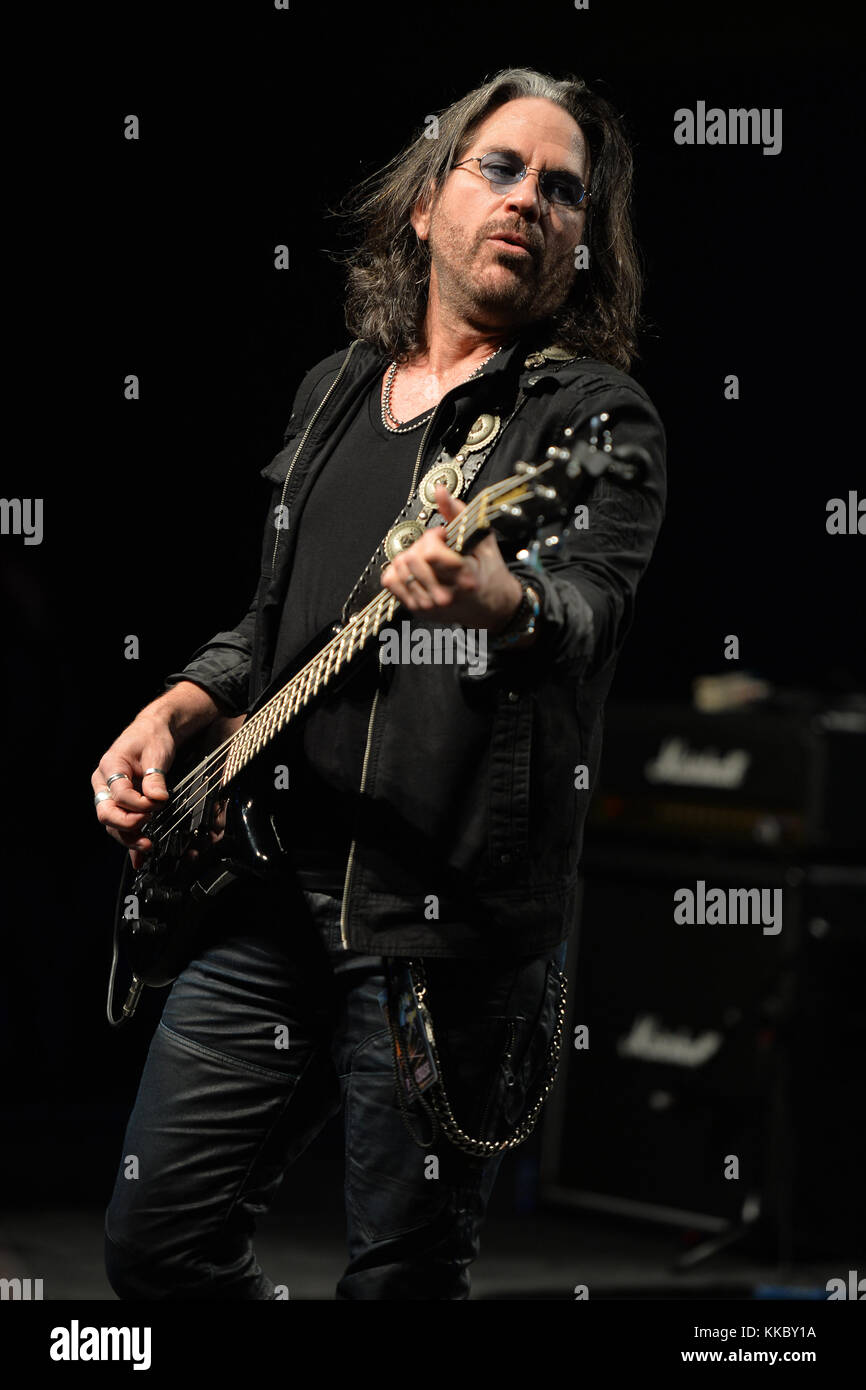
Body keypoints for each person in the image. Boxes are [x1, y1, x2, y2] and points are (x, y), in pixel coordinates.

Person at [92, 67, 666, 1300]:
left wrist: (494, 603)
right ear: (425, 204)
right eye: (499, 168)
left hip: (438, 930)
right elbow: (274, 625)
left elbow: (578, 611)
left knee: (399, 1278)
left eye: (563, 191)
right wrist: (181, 703)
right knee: (156, 1244)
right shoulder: (338, 386)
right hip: (260, 892)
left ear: (580, 242)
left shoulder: (594, 422)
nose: (529, 201)